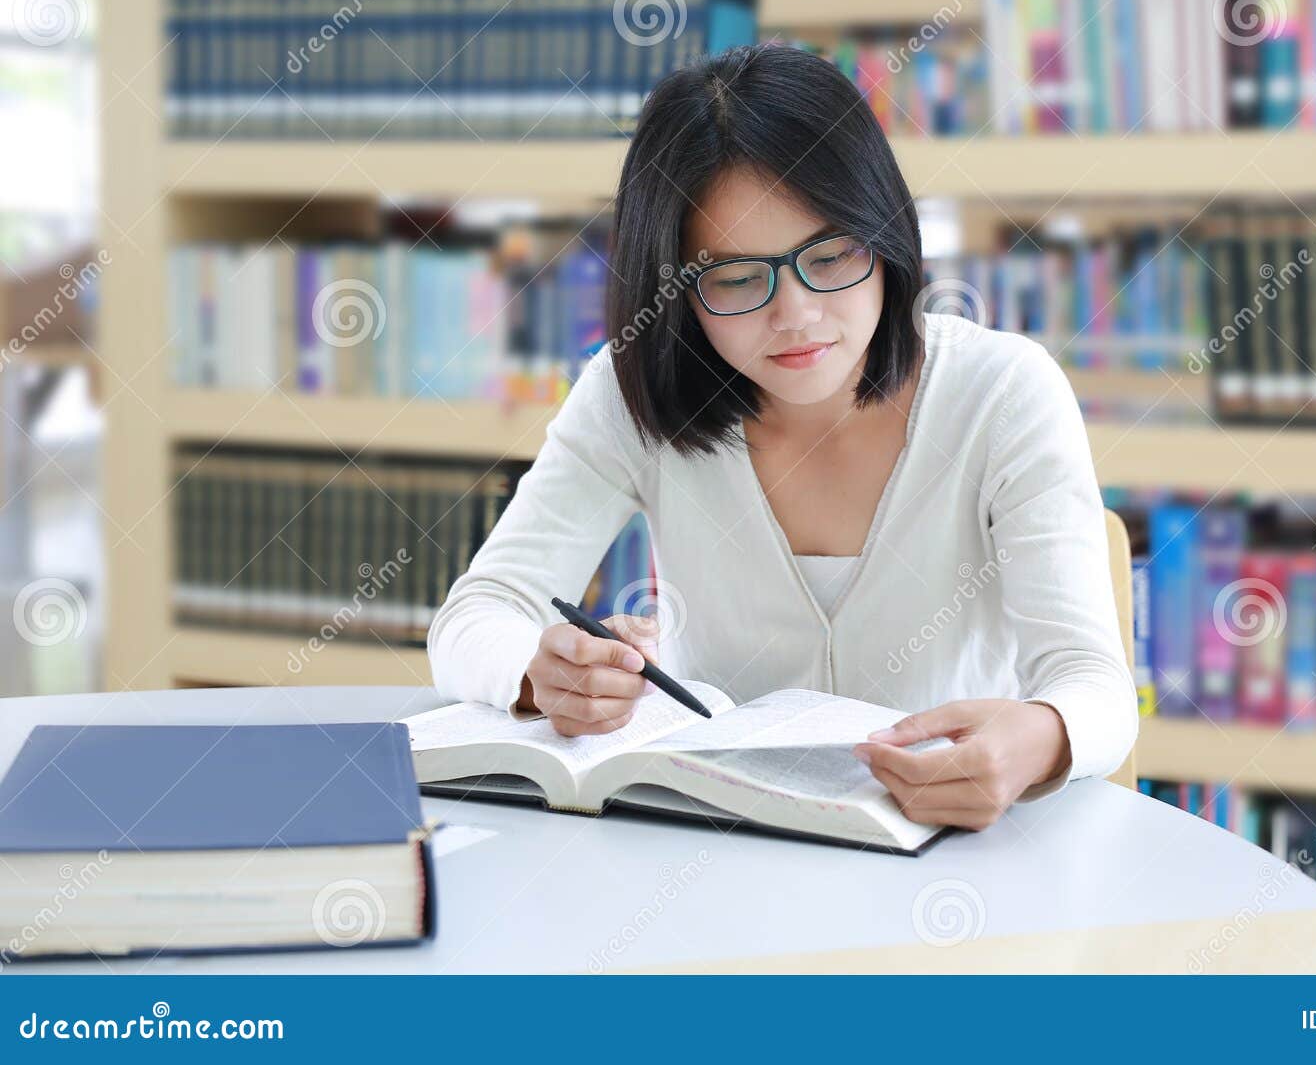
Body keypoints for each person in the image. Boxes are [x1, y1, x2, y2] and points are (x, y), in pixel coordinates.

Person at [428, 42, 1136, 830]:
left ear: (887, 238)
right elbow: (475, 615)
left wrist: (1039, 737)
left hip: (946, 868)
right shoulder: (629, 393)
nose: (797, 314)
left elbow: (1092, 683)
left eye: (831, 255)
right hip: (714, 852)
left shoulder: (1002, 393)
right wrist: (537, 670)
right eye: (736, 277)